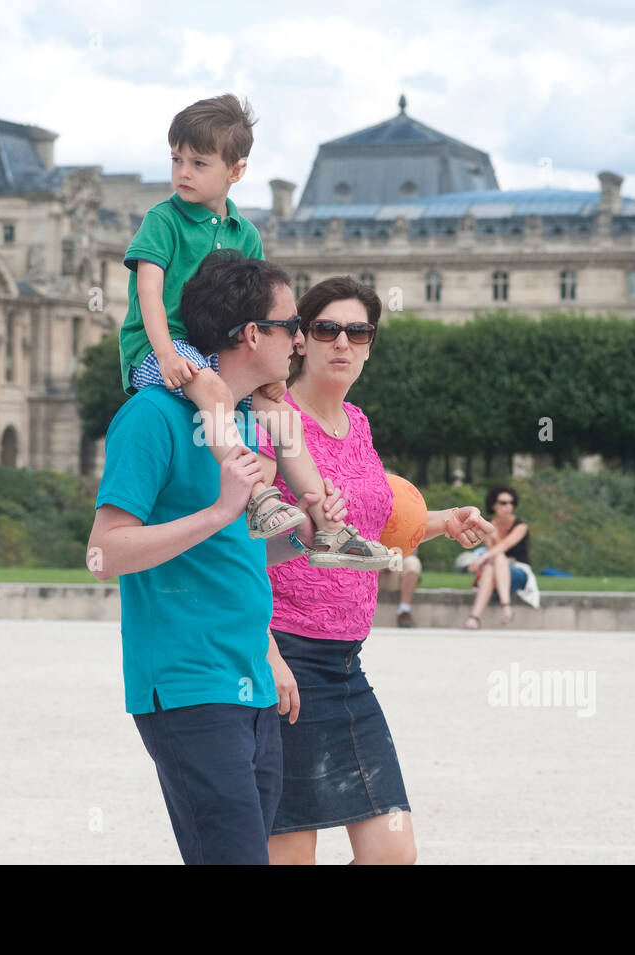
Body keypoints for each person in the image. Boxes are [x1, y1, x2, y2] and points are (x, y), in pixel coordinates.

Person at [87, 252, 350, 865]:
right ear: (253, 334)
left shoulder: (241, 426)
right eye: (294, 327)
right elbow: (103, 554)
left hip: (252, 686)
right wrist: (218, 510)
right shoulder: (151, 417)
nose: (303, 341)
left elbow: (239, 550)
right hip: (187, 685)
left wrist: (309, 533)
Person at [254, 276, 493, 865]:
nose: (343, 342)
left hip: (344, 662)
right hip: (283, 652)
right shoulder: (270, 418)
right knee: (288, 859)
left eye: (358, 331)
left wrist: (442, 521)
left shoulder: (356, 423)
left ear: (370, 344)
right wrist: (263, 649)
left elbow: (367, 523)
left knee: (392, 853)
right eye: (327, 328)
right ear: (300, 339)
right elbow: (240, 541)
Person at [119, 93, 391, 569]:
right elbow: (149, 295)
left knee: (280, 415)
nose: (183, 172)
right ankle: (259, 499)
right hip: (157, 345)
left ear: (236, 171)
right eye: (176, 159)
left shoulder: (246, 232)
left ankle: (329, 530)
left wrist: (269, 371)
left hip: (213, 347)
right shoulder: (162, 220)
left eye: (198, 163)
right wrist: (164, 353)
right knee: (208, 387)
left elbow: (258, 304)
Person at [463, 485, 531, 629]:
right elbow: (494, 554)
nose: (508, 506)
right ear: (494, 505)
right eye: (503, 503)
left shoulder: (521, 526)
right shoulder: (488, 525)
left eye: (511, 503)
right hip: (496, 571)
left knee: (498, 558)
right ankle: (476, 617)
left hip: (518, 571)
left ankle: (493, 611)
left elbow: (505, 546)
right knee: (492, 566)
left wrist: (482, 557)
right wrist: (490, 538)